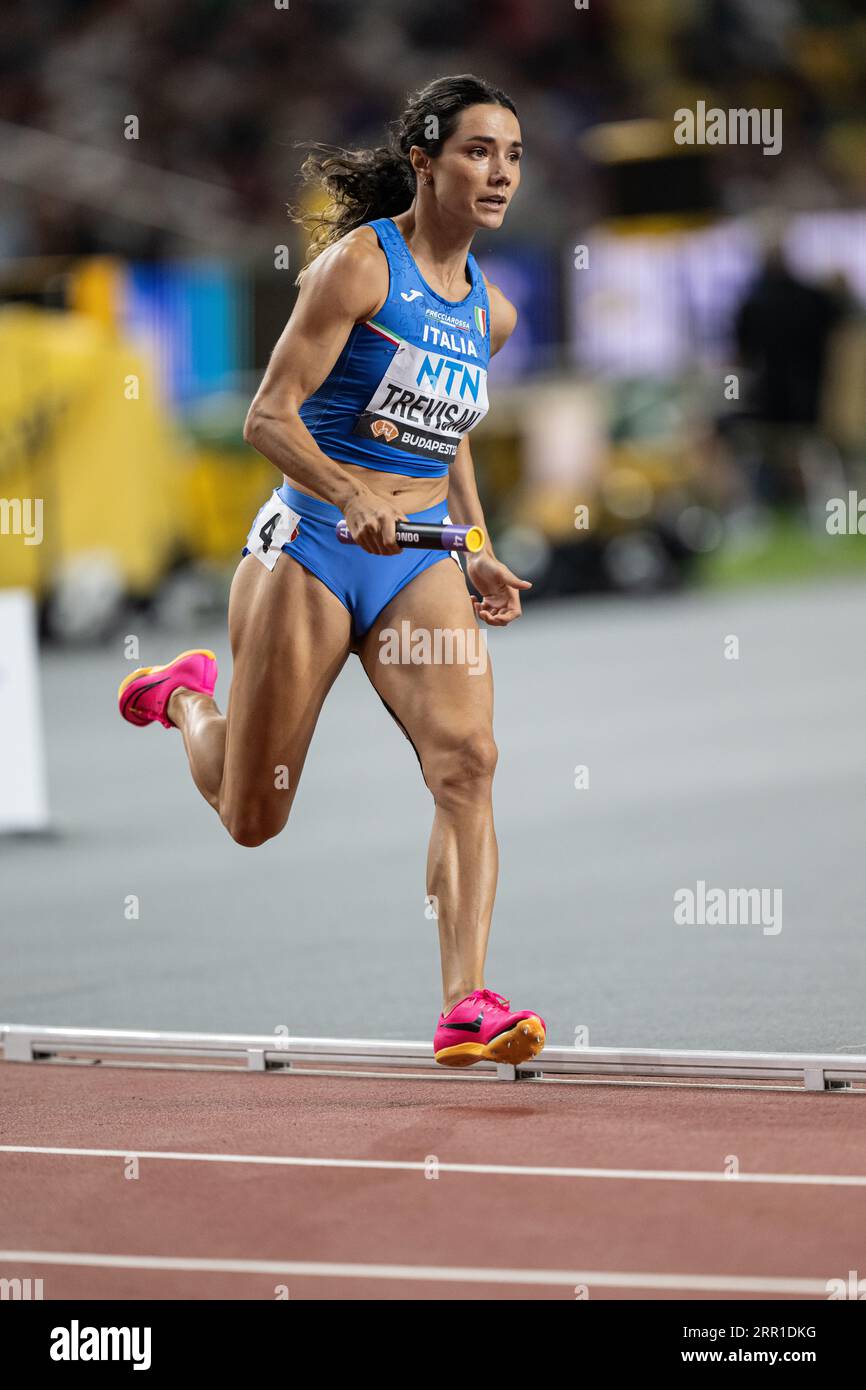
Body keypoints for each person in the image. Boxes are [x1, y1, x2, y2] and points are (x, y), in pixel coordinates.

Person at [118, 74, 546, 1068]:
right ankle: (183, 698)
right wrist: (344, 490)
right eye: (479, 152)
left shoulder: (492, 314)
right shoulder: (358, 268)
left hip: (414, 561)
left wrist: (477, 551)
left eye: (513, 157)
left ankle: (464, 1001)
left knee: (468, 761)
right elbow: (264, 415)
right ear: (424, 163)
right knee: (250, 813)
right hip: (309, 549)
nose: (499, 173)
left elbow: (454, 436)